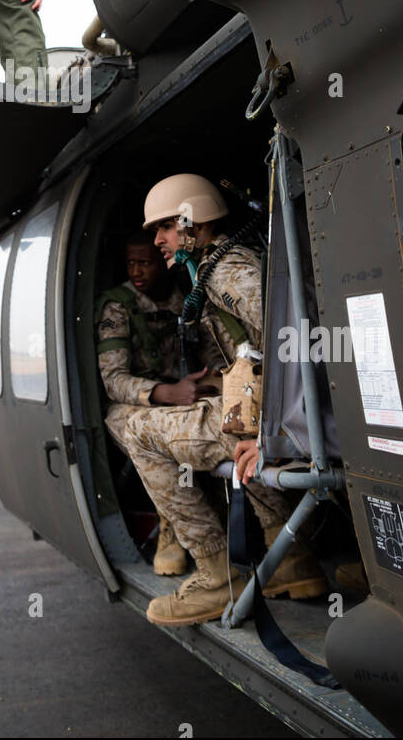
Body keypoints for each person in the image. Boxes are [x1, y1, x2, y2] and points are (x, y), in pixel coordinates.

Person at [124, 174, 326, 627]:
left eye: (165, 227)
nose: (156, 240)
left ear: (194, 221)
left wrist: (274, 432)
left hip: (290, 421)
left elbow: (302, 342)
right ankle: (291, 560)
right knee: (231, 426)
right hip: (279, 416)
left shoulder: (228, 271)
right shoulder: (216, 267)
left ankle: (215, 574)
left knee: (137, 430)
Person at [95, 232, 190, 576]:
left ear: (163, 261)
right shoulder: (119, 307)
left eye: (145, 262)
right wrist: (163, 394)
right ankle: (171, 526)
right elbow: (114, 380)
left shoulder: (187, 299)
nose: (136, 271)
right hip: (135, 403)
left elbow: (212, 354)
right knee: (150, 435)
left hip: (184, 395)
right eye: (130, 263)